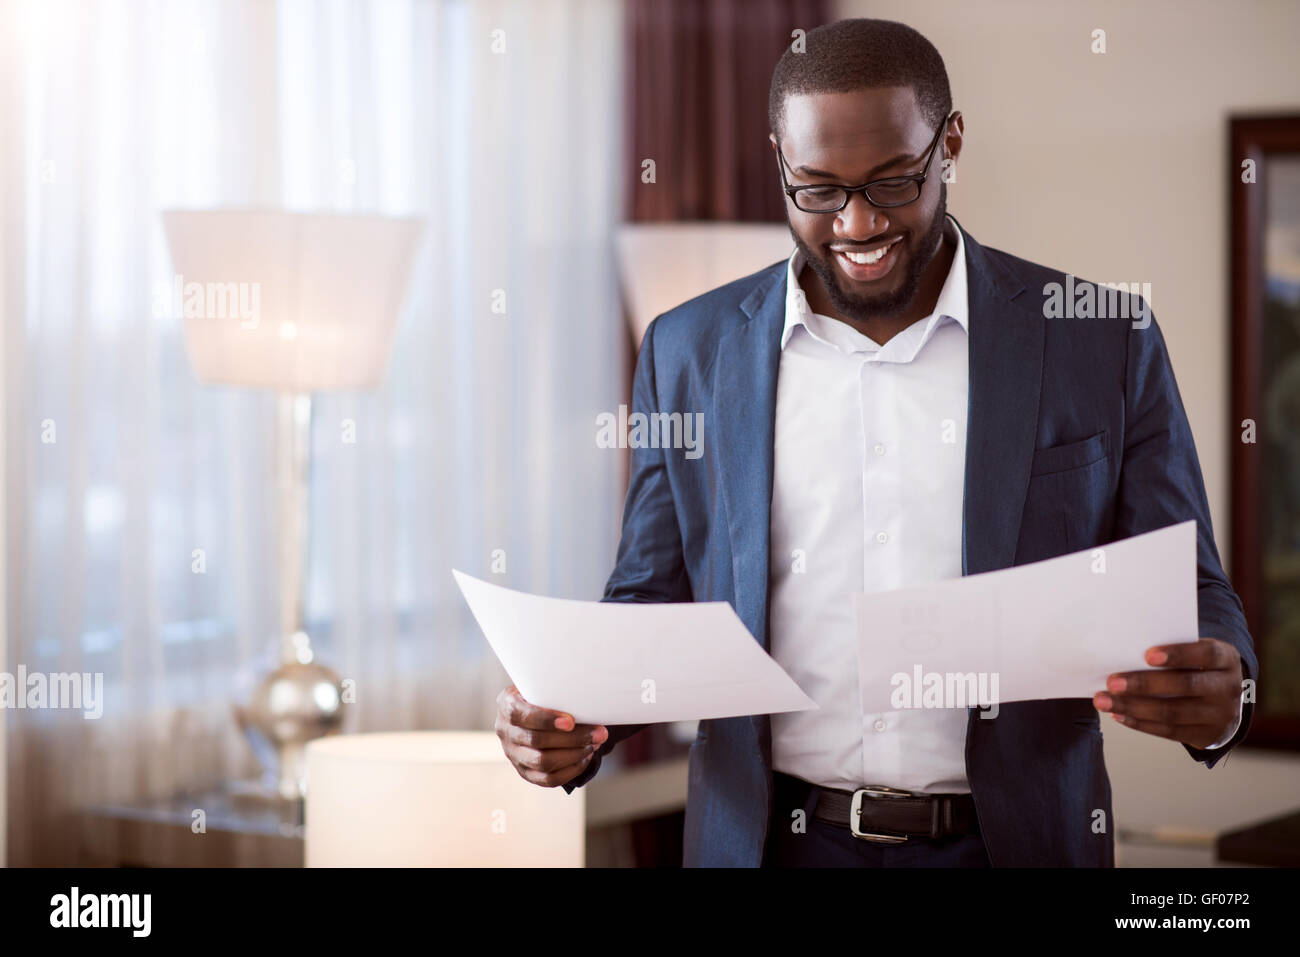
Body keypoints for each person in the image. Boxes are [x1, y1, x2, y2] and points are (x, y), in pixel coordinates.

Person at [495, 17, 1255, 867]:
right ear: (778, 158)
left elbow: (1194, 588)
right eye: (816, 189)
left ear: (950, 143)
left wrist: (1230, 693)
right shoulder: (686, 350)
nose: (856, 224)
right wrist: (573, 718)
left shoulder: (1101, 339)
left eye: (894, 181)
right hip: (768, 842)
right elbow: (651, 597)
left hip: (1014, 845)